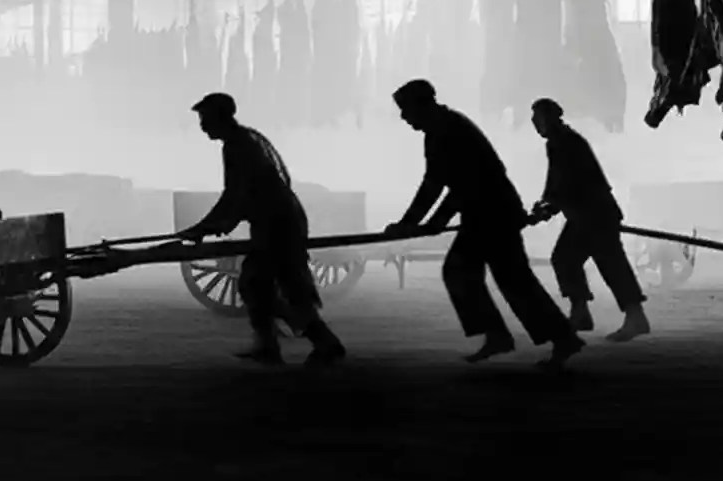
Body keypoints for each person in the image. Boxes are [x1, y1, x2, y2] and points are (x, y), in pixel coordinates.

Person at [384, 79, 584, 369]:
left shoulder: (447, 130)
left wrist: (415, 223)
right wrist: (424, 223)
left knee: (483, 274)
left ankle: (517, 336)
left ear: (422, 105)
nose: (403, 117)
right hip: (485, 212)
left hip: (491, 213)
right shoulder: (443, 127)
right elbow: (447, 184)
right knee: (505, 277)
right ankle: (534, 336)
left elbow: (439, 184)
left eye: (405, 109)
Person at [177, 92, 346, 367]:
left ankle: (320, 342)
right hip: (278, 218)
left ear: (219, 117)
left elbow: (235, 193)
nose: (202, 126)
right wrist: (210, 225)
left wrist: (205, 227)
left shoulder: (237, 145)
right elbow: (241, 194)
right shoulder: (246, 139)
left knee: (268, 284)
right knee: (260, 286)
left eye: (204, 119)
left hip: (277, 222)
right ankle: (273, 345)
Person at [527, 98, 651, 342]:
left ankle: (632, 318)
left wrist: (547, 207)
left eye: (537, 117)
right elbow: (555, 183)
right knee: (567, 259)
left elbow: (566, 183)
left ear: (548, 118)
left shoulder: (565, 142)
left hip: (595, 214)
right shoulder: (560, 141)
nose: (533, 123)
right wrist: (545, 204)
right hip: (585, 215)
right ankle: (582, 312)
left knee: (609, 264)